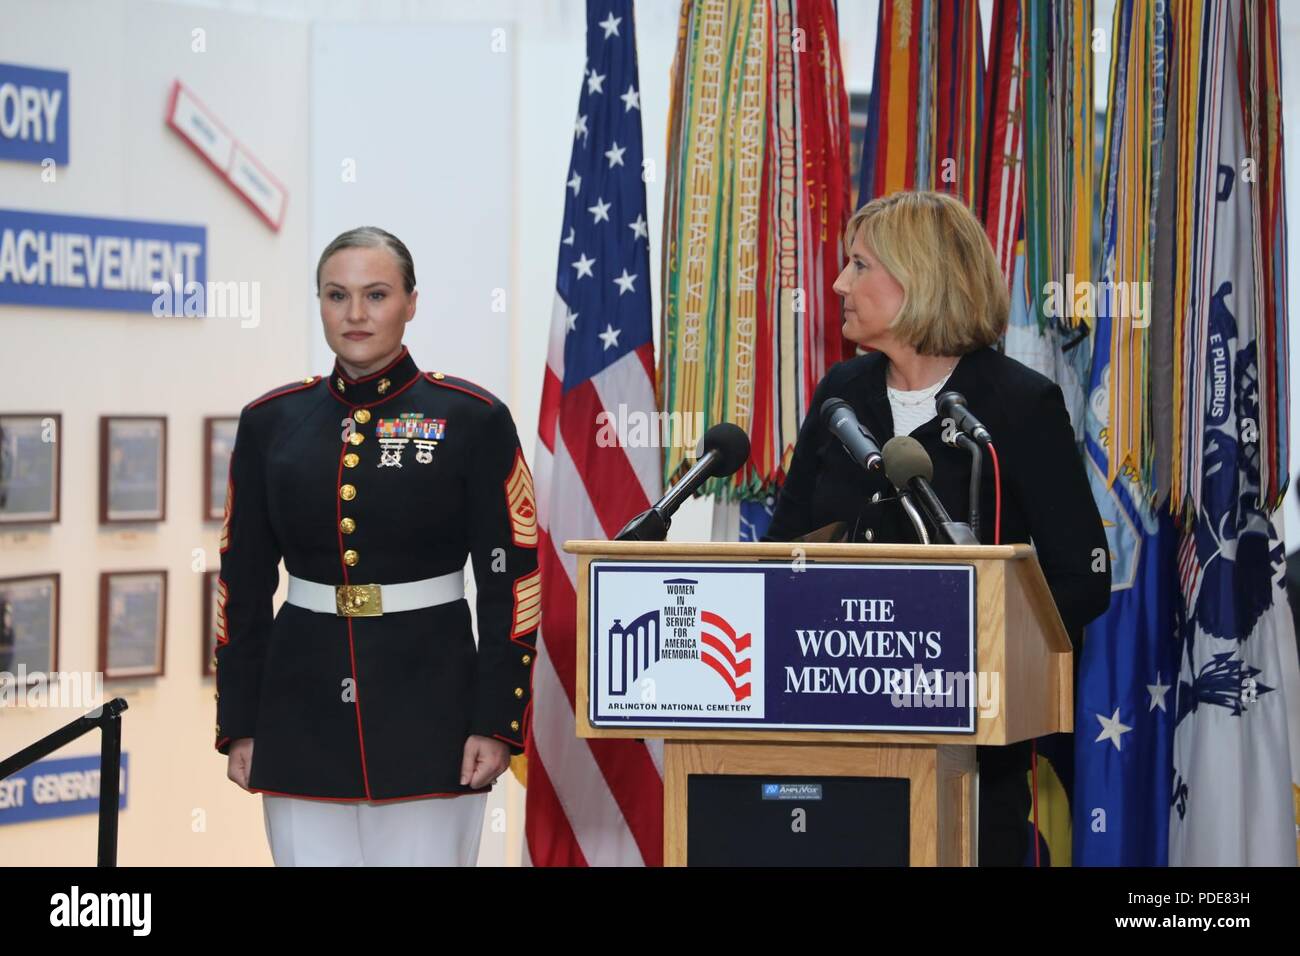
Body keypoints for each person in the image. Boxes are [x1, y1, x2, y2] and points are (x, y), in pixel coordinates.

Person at [764, 190, 1112, 866]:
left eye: (859, 266)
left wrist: (976, 659)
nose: (838, 284)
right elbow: (784, 553)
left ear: (918, 276)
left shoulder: (1017, 406)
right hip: (834, 732)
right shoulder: (839, 394)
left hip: (971, 750)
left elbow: (1081, 576)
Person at [214, 226, 538, 866]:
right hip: (299, 709)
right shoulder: (271, 423)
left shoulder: (472, 418)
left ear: (411, 302)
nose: (355, 314)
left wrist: (496, 721)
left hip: (433, 712)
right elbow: (241, 584)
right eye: (337, 295)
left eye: (376, 294)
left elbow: (513, 581)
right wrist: (241, 722)